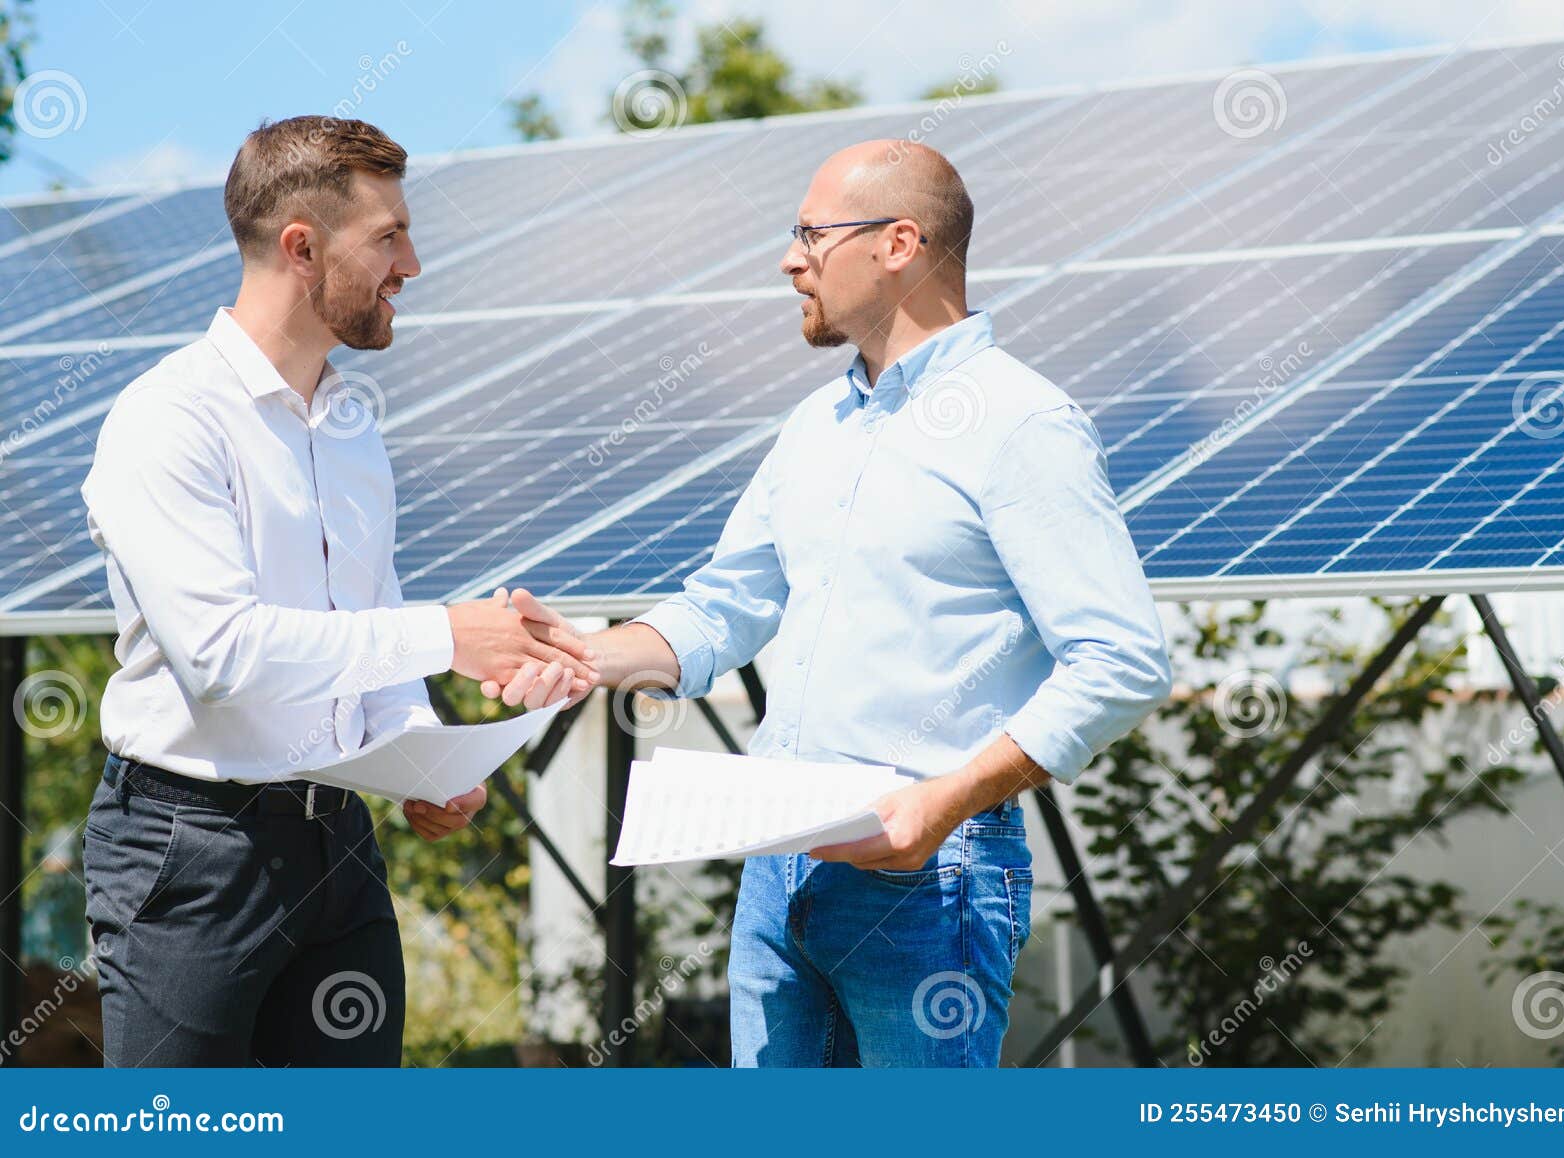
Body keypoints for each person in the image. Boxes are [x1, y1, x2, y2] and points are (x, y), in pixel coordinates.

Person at [493, 140, 1173, 1066]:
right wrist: (584, 651)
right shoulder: (817, 424)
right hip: (778, 869)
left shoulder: (1024, 424)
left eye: (811, 234)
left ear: (899, 244)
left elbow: (1123, 661)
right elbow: (725, 606)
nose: (789, 260)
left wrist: (946, 801)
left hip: (931, 875)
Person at [79, 116, 597, 1067]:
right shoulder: (167, 419)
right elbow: (223, 657)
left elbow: (368, 614)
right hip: (191, 855)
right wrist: (450, 637)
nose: (412, 264)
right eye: (389, 236)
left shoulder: (352, 426)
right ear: (302, 248)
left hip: (340, 847)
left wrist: (422, 754)